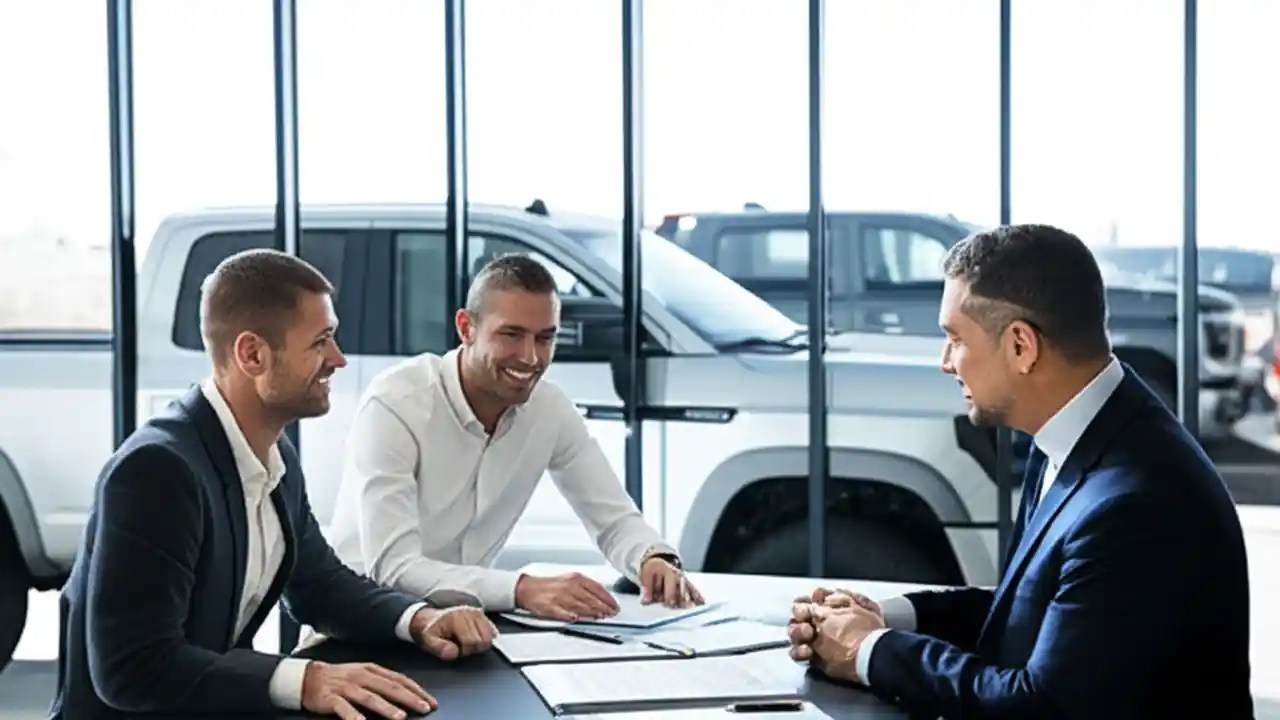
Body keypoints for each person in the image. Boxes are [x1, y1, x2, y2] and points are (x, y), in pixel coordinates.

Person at [787, 224, 1253, 718]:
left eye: (955, 339)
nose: (946, 362)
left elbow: (1039, 707)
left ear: (1020, 347)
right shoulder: (1076, 433)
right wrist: (880, 619)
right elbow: (1022, 612)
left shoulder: (1137, 503)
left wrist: (867, 652)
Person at [50, 249, 498, 720]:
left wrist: (418, 620)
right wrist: (304, 678)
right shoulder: (157, 471)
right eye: (321, 342)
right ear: (253, 355)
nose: (338, 359)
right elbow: (132, 668)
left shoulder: (274, 453)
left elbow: (318, 585)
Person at [324, 253, 702, 622]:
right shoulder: (397, 402)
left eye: (544, 338)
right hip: (364, 627)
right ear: (466, 328)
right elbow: (393, 567)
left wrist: (653, 557)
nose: (531, 357)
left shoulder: (549, 409)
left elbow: (614, 520)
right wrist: (522, 589)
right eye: (512, 335)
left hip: (465, 629)